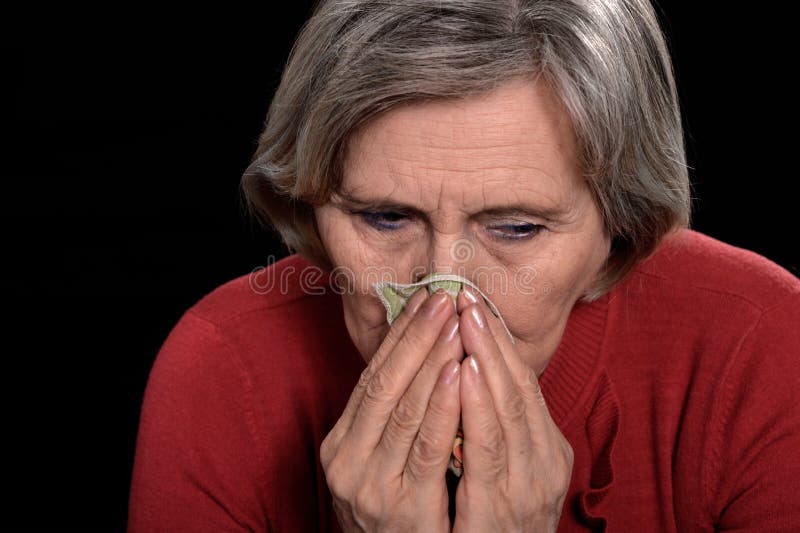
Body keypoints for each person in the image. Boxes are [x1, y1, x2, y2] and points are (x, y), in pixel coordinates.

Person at [127, 0, 800, 531]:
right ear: (310, 213)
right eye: (383, 217)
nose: (445, 290)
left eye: (516, 227)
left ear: (620, 234)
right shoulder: (222, 370)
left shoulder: (763, 345)